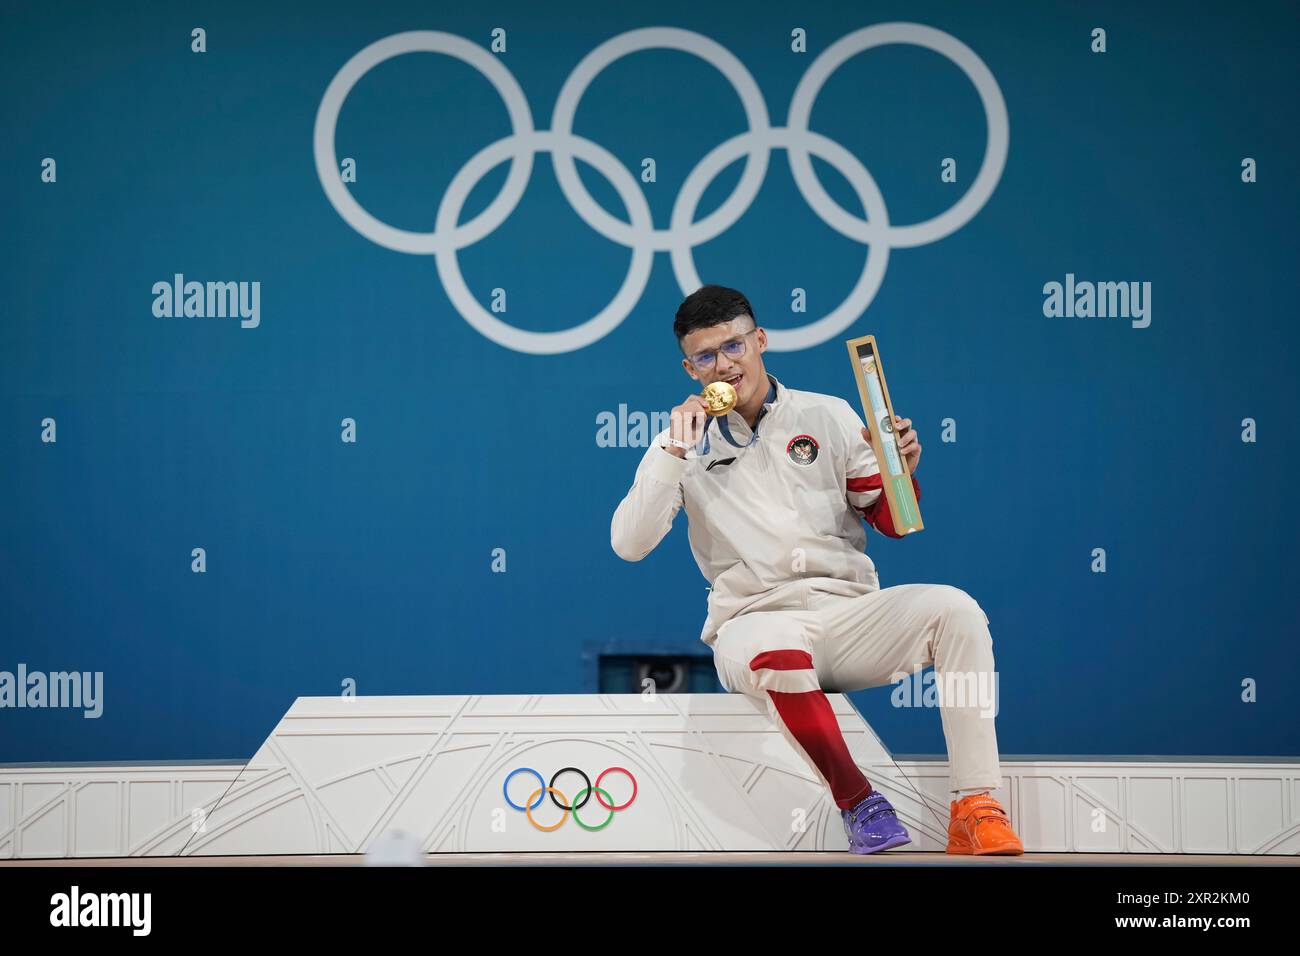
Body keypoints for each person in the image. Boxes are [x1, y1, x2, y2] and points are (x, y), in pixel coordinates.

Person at [610, 284, 1024, 855]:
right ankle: (859, 802)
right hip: (754, 622)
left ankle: (975, 803)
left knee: (957, 611)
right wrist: (672, 452)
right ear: (689, 368)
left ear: (759, 341)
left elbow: (892, 521)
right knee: (773, 647)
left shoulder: (826, 414)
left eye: (734, 346)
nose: (724, 366)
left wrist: (902, 472)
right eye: (706, 357)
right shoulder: (679, 444)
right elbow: (629, 544)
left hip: (848, 616)